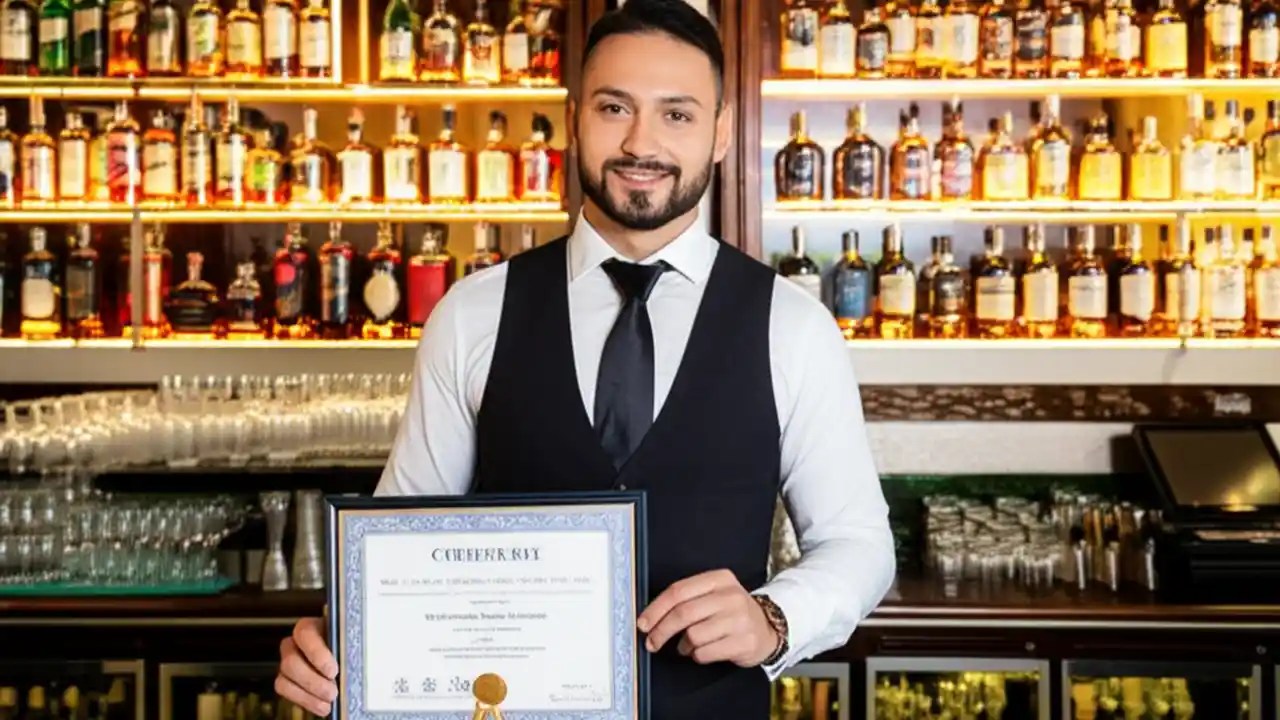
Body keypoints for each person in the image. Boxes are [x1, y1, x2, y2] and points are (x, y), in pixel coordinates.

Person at [274, 1, 895, 718]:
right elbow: (395, 545)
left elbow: (857, 542)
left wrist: (776, 618)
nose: (641, 142)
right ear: (574, 118)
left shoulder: (794, 326)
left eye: (678, 114)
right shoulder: (471, 314)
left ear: (722, 134)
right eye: (614, 107)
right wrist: (340, 642)